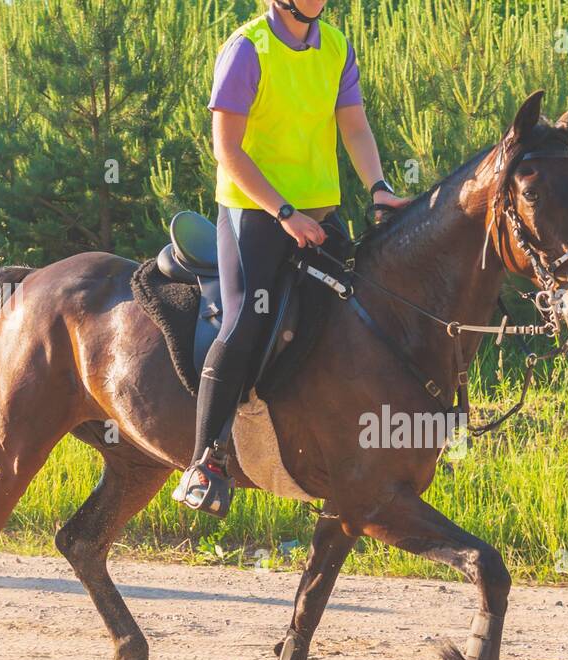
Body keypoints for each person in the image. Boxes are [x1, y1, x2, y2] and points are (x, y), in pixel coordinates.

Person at [173, 0, 410, 516]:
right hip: (253, 215)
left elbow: (354, 127)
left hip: (319, 216)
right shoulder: (245, 49)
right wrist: (283, 213)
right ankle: (204, 461)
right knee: (245, 322)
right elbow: (227, 151)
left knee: (359, 314)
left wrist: (378, 187)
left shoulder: (337, 47)